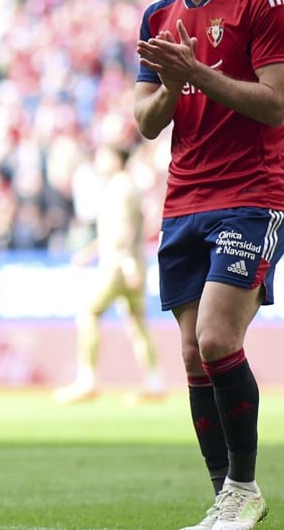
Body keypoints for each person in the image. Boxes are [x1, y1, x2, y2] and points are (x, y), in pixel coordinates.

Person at [134, 0, 284, 530]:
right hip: (184, 201)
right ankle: (226, 499)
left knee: (215, 338)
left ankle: (244, 489)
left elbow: (275, 104)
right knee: (190, 354)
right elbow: (146, 122)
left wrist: (196, 74)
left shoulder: (263, 1)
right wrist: (172, 86)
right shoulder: (158, 16)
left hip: (252, 196)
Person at [53, 142, 164, 406]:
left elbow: (124, 230)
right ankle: (154, 382)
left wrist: (125, 262)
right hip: (129, 263)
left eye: (103, 156)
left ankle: (87, 379)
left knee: (90, 311)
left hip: (117, 265)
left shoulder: (120, 188)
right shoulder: (125, 185)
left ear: (116, 159)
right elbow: (117, 230)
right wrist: (91, 252)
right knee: (137, 323)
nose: (99, 161)